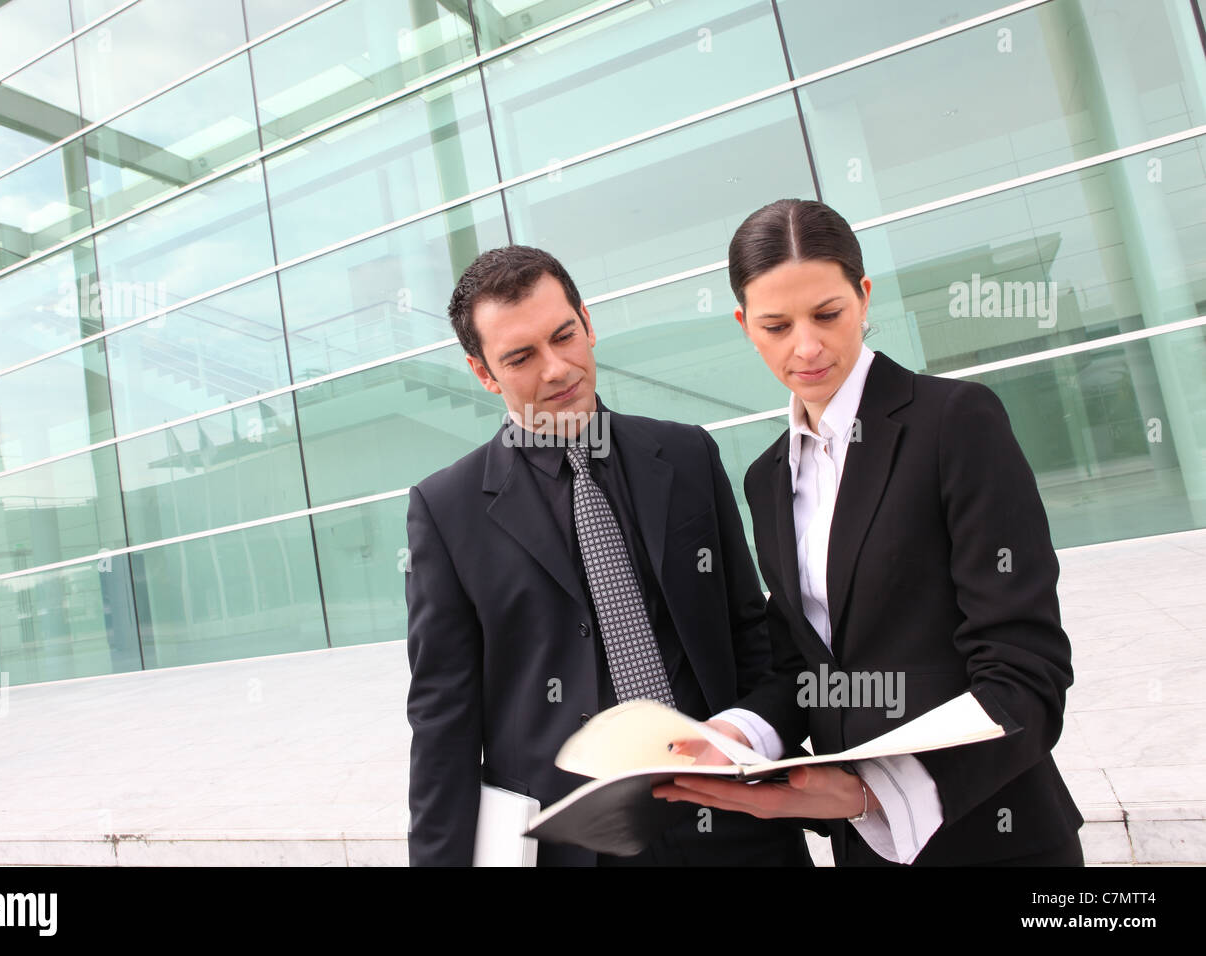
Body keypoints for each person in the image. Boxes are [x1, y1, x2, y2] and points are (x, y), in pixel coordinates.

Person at [655, 199, 1084, 865]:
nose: (806, 346)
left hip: (994, 833)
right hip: (865, 853)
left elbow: (1027, 670)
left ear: (863, 296)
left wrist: (873, 794)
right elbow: (805, 669)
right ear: (745, 326)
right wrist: (735, 734)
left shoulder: (955, 422)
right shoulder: (768, 478)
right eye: (775, 325)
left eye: (828, 314)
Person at [405, 245, 813, 866]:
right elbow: (444, 719)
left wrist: (760, 749)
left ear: (588, 324)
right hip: (577, 845)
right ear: (483, 372)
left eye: (564, 336)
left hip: (735, 820)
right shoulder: (446, 510)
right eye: (520, 357)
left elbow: (749, 632)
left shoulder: (686, 456)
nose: (556, 368)